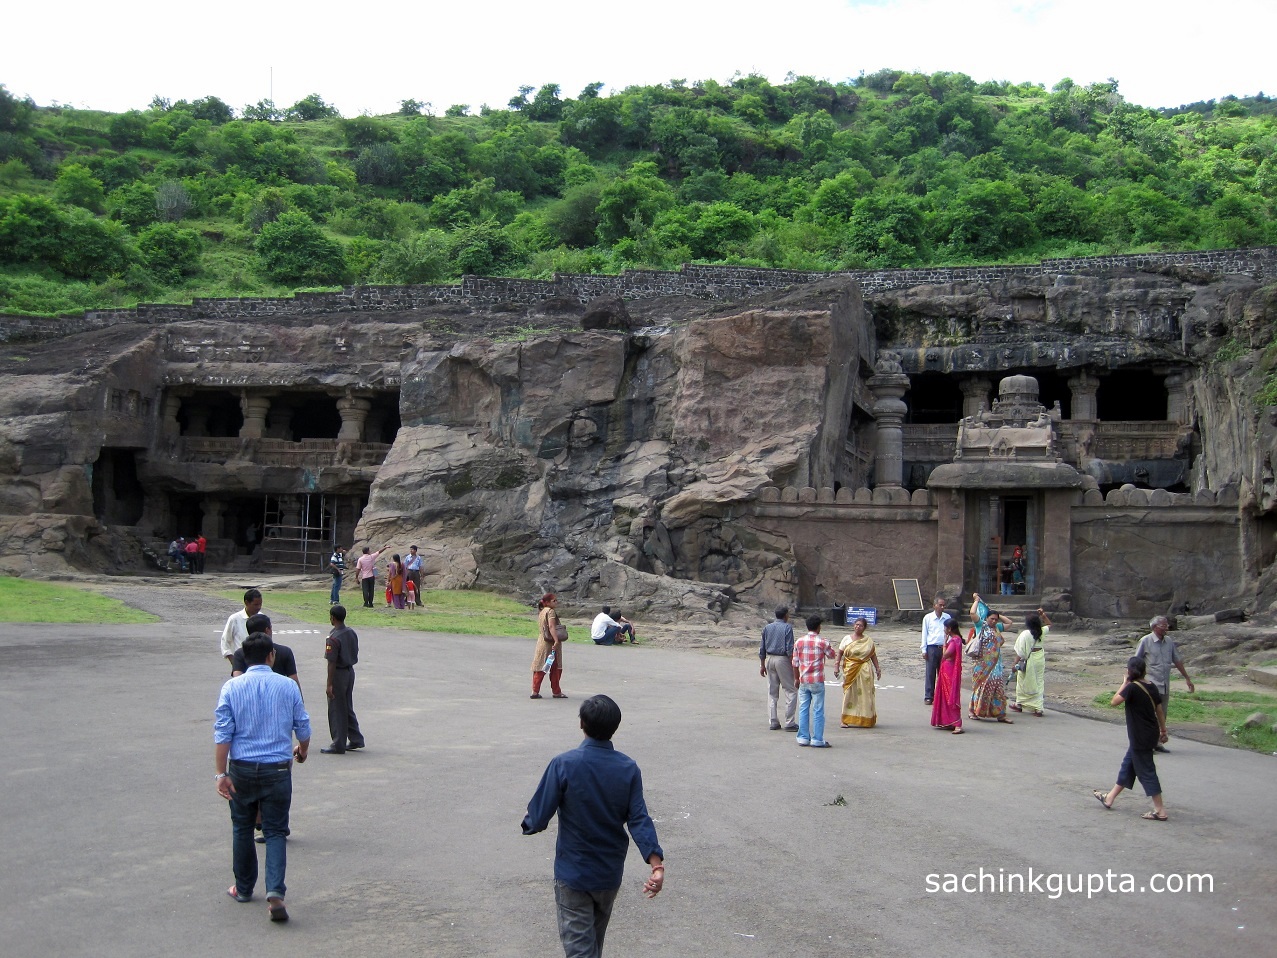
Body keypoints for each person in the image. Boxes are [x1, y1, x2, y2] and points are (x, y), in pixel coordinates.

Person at [521, 694, 664, 958]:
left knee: (580, 950)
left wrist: (528, 822)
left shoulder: (564, 764)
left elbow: (538, 818)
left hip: (573, 873)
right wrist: (656, 864)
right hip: (608, 875)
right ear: (615, 728)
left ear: (581, 723)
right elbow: (639, 818)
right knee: (592, 946)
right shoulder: (628, 768)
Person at [213, 632, 311, 922]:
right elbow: (303, 726)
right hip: (278, 769)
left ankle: (243, 888)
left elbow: (222, 733)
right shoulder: (287, 686)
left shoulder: (231, 687)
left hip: (242, 767)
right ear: (272, 656)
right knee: (276, 831)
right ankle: (276, 893)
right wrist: (302, 751)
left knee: (242, 827)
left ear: (244, 657)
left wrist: (221, 773)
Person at [1094, 657, 1169, 821]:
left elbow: (1114, 701)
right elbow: (1160, 711)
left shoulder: (1132, 688)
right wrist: (1163, 730)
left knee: (1147, 771)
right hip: (1150, 733)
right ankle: (1109, 798)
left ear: (1130, 671)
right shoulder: (1151, 686)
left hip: (1139, 737)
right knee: (1128, 765)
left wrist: (1125, 683)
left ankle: (1160, 810)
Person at [1133, 615, 1195, 753]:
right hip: (1150, 684)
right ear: (1154, 627)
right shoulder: (1145, 641)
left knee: (1162, 714)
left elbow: (1177, 660)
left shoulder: (1169, 641)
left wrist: (1187, 678)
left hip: (1165, 684)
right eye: (1163, 625)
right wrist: (1134, 681)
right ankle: (1146, 744)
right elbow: (1136, 662)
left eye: (1166, 625)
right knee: (1150, 715)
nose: (1166, 627)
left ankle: (1157, 743)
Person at [320, 605, 365, 754]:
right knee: (347, 705)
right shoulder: (350, 632)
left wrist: (329, 684)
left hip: (338, 673)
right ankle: (356, 738)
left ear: (332, 617)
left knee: (336, 708)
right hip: (350, 671)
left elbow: (331, 662)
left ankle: (338, 743)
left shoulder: (333, 638)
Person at [792, 614, 837, 748]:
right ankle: (817, 739)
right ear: (818, 627)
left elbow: (794, 663)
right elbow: (832, 655)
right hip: (817, 680)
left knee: (803, 708)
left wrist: (796, 678)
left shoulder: (799, 642)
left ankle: (803, 737)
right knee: (818, 710)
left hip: (804, 679)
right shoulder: (822, 642)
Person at [968, 610, 1014, 724]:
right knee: (980, 687)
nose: (993, 621)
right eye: (991, 618)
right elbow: (972, 613)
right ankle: (973, 711)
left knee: (998, 688)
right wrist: (977, 600)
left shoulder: (997, 627)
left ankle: (1000, 714)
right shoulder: (981, 625)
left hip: (996, 664)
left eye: (995, 619)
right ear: (986, 618)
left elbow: (1009, 623)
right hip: (982, 664)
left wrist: (999, 616)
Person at [758, 606, 798, 732]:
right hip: (783, 659)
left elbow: (762, 647)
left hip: (770, 659)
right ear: (786, 615)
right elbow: (789, 648)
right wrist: (794, 665)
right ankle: (789, 721)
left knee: (772, 691)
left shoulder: (767, 628)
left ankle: (773, 721)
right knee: (790, 690)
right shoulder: (787, 628)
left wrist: (762, 664)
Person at [836, 616, 881, 729]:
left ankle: (866, 718)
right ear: (853, 625)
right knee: (849, 693)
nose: (858, 627)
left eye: (860, 625)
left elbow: (873, 655)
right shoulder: (846, 639)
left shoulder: (868, 641)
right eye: (856, 624)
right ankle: (845, 719)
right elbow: (840, 653)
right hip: (850, 669)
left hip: (865, 671)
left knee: (865, 694)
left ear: (864, 628)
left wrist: (878, 668)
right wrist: (836, 666)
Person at [1011, 609, 1054, 717]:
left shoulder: (1025, 634)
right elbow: (1049, 624)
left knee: (1022, 681)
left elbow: (1020, 652)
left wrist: (1015, 664)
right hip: (1039, 658)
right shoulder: (1042, 631)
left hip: (1028, 660)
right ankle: (1038, 708)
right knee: (1038, 682)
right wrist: (1043, 615)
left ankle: (1019, 704)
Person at [930, 618, 965, 734]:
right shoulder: (956, 639)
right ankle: (948, 721)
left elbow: (945, 655)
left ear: (949, 629)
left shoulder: (955, 640)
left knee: (950, 696)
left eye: (945, 627)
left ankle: (957, 723)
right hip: (946, 670)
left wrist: (944, 643)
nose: (944, 630)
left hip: (949, 671)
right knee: (946, 696)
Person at [532, 593, 566, 699]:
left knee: (541, 666)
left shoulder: (542, 611)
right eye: (554, 601)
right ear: (547, 602)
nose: (556, 602)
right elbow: (552, 627)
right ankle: (556, 691)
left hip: (542, 641)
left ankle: (535, 691)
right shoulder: (550, 612)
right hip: (550, 642)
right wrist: (556, 641)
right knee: (555, 667)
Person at [220, 589, 264, 669]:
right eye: (256, 605)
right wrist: (235, 663)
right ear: (247, 603)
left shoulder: (262, 618)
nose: (259, 607)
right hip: (242, 662)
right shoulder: (235, 619)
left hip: (260, 663)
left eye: (260, 604)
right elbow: (225, 641)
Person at [919, 595, 951, 705]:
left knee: (943, 673)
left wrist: (950, 648)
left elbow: (950, 633)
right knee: (930, 673)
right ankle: (929, 696)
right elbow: (925, 634)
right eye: (940, 605)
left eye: (943, 605)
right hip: (932, 647)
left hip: (944, 647)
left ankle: (943, 695)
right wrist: (924, 649)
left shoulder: (947, 617)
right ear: (934, 606)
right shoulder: (928, 618)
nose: (942, 607)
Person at [354, 544, 385, 609]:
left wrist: (356, 577)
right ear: (368, 551)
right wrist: (385, 547)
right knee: (371, 590)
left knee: (365, 590)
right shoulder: (371, 557)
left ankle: (366, 602)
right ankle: (370, 603)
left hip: (364, 576)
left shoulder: (360, 559)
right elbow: (379, 552)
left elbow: (358, 569)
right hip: (371, 576)